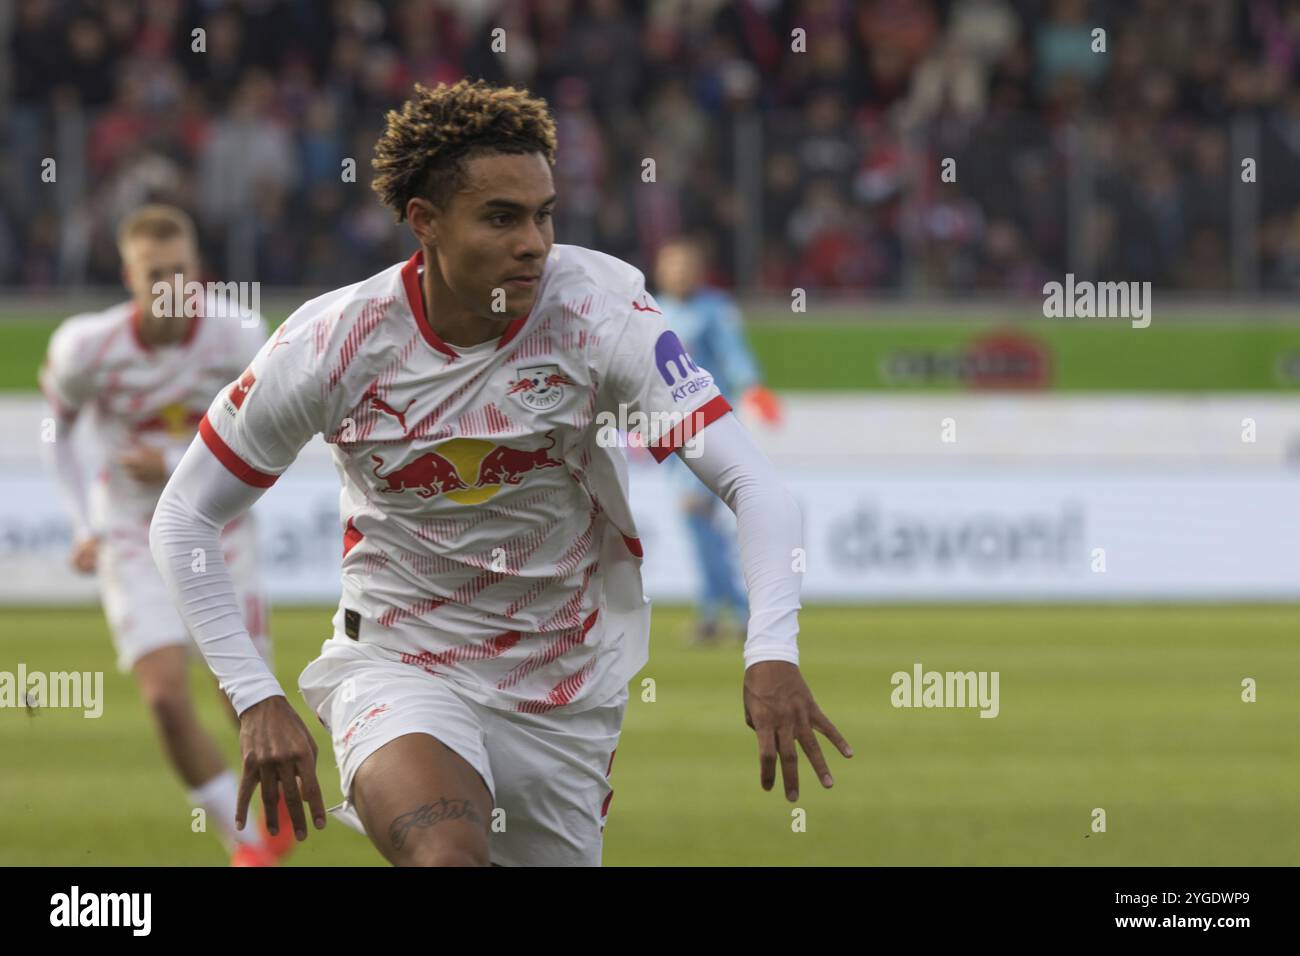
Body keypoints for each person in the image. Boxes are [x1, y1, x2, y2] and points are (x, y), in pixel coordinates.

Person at [149, 79, 851, 867]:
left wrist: (772, 650)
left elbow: (753, 485)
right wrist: (254, 696)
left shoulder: (600, 313)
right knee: (447, 857)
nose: (534, 242)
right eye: (501, 217)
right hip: (400, 662)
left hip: (565, 693)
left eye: (544, 213)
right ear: (425, 222)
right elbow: (184, 517)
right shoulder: (332, 345)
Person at [39, 204, 288, 865]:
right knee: (163, 697)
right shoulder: (85, 348)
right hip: (128, 528)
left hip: (219, 527)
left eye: (181, 271)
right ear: (129, 274)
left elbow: (265, 441)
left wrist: (176, 461)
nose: (171, 287)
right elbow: (57, 435)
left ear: (197, 270)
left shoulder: (239, 336)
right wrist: (84, 523)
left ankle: (278, 809)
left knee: (245, 693)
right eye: (156, 274)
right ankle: (245, 845)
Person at [653, 236, 783, 645]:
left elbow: (734, 355)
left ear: (700, 270)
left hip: (708, 428)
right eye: (672, 266)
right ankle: (723, 612)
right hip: (668, 433)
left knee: (695, 516)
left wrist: (753, 387)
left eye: (686, 266)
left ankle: (732, 611)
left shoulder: (715, 310)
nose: (680, 274)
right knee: (699, 526)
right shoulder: (651, 310)